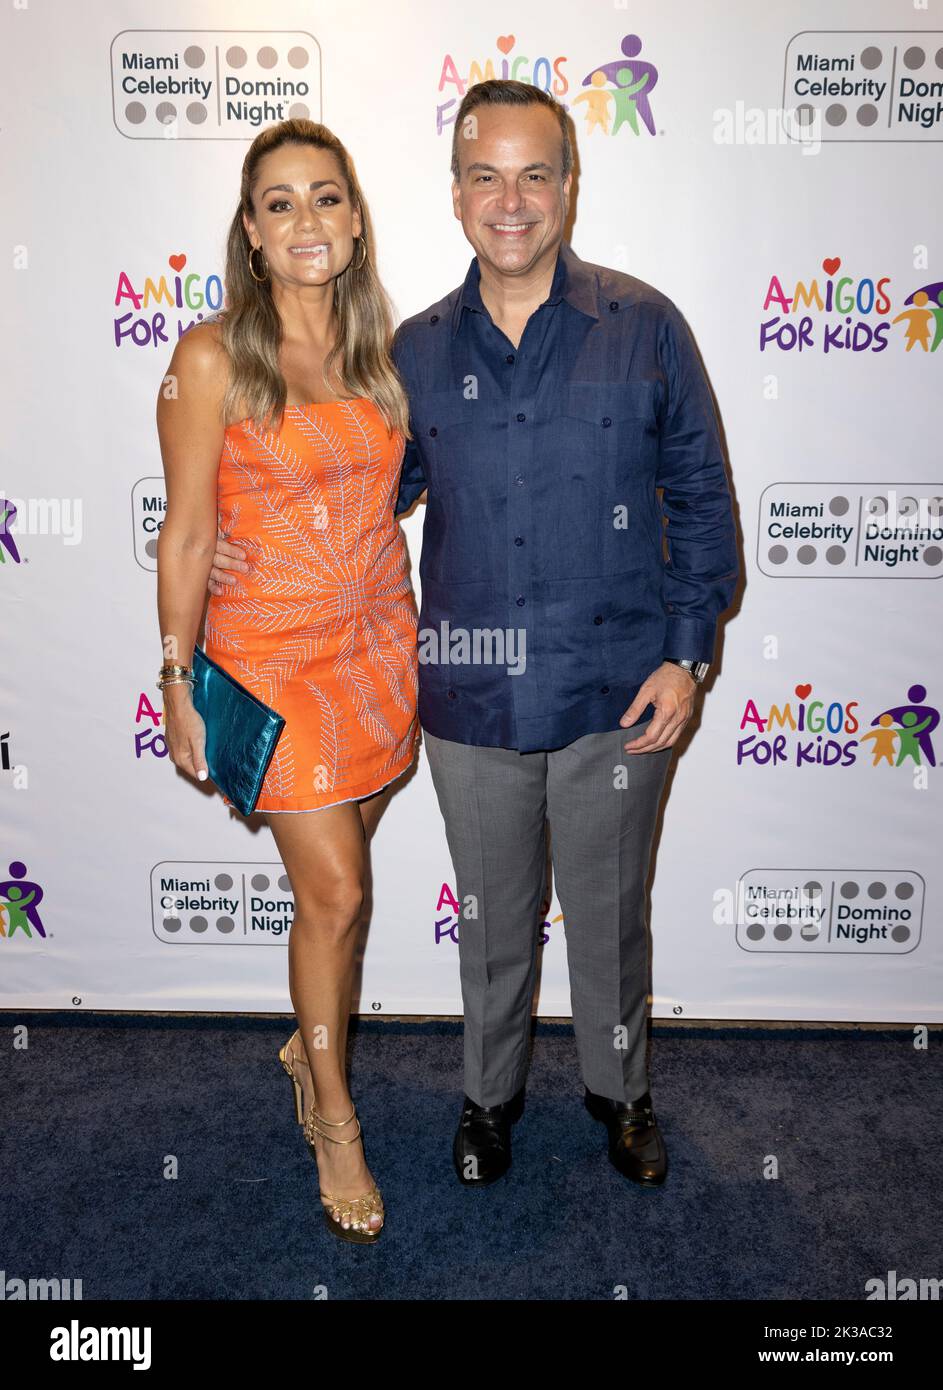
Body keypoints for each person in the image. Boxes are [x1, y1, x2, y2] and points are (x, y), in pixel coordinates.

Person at [211, 81, 739, 1191]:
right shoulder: (404, 351)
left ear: (567, 186)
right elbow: (354, 489)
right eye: (486, 176)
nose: (512, 200)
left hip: (618, 693)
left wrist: (687, 657)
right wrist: (234, 540)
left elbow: (699, 496)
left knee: (608, 917)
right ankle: (487, 1100)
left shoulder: (644, 326)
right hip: (465, 697)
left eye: (534, 173)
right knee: (492, 922)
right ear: (455, 195)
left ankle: (622, 1092)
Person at [156, 118, 419, 1242]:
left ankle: (306, 1031)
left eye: (324, 197)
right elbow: (187, 534)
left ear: (353, 224)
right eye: (278, 203)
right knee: (340, 895)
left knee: (338, 882)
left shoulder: (378, 353)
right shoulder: (212, 356)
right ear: (251, 235)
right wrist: (175, 679)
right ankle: (332, 1112)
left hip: (379, 645)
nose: (303, 220)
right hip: (269, 665)